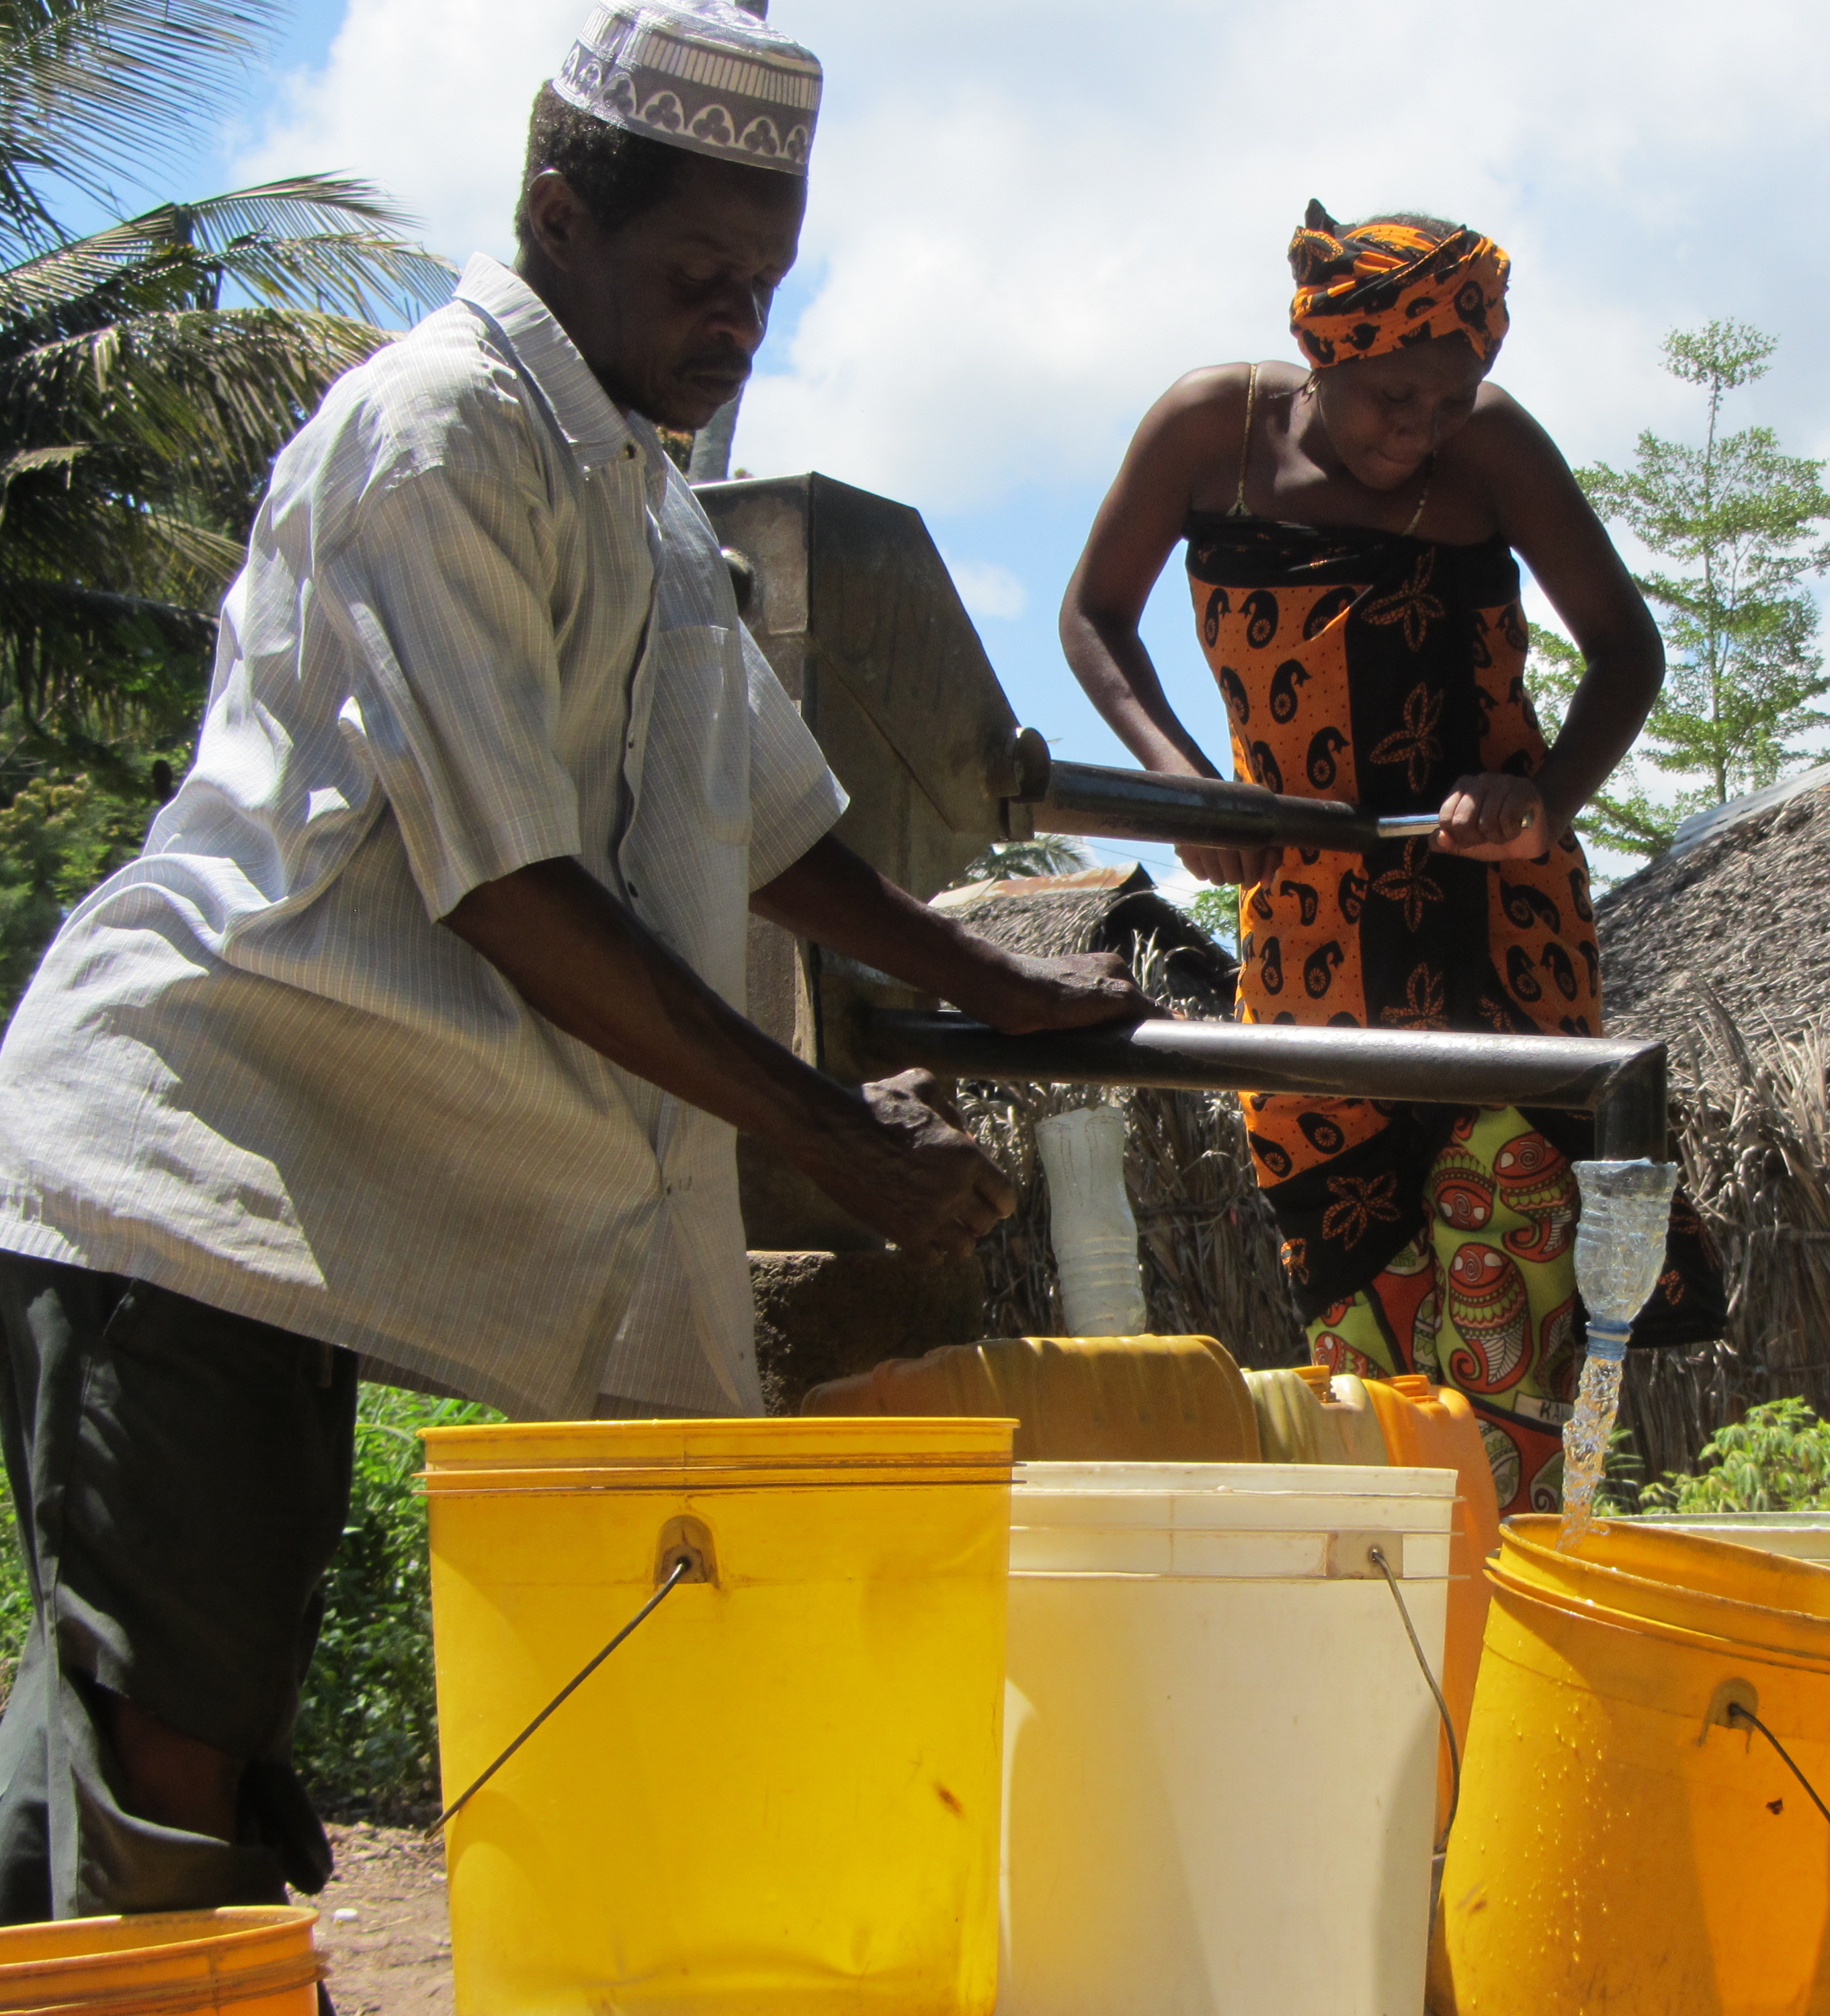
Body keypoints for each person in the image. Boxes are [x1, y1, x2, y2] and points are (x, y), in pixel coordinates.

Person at [0, 0, 1145, 1935]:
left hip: (332, 1159)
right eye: (701, 274)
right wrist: (832, 1137)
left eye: (767, 286)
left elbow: (777, 828)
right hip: (181, 1150)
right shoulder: (436, 436)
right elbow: (508, 889)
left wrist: (996, 977)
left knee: (201, 1714)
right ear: (558, 208)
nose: (738, 324)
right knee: (166, 1732)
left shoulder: (636, 489)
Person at [1062, 202, 1722, 1513]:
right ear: (1319, 352)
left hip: (1498, 938)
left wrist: (1539, 800)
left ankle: (1524, 1591)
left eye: (1450, 399)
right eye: (1393, 397)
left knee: (1516, 1281)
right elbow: (1092, 617)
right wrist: (1187, 785)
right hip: (1309, 935)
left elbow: (1623, 651)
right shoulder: (1208, 433)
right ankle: (1397, 1604)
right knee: (1358, 1321)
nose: (1420, 430)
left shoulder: (1495, 454)